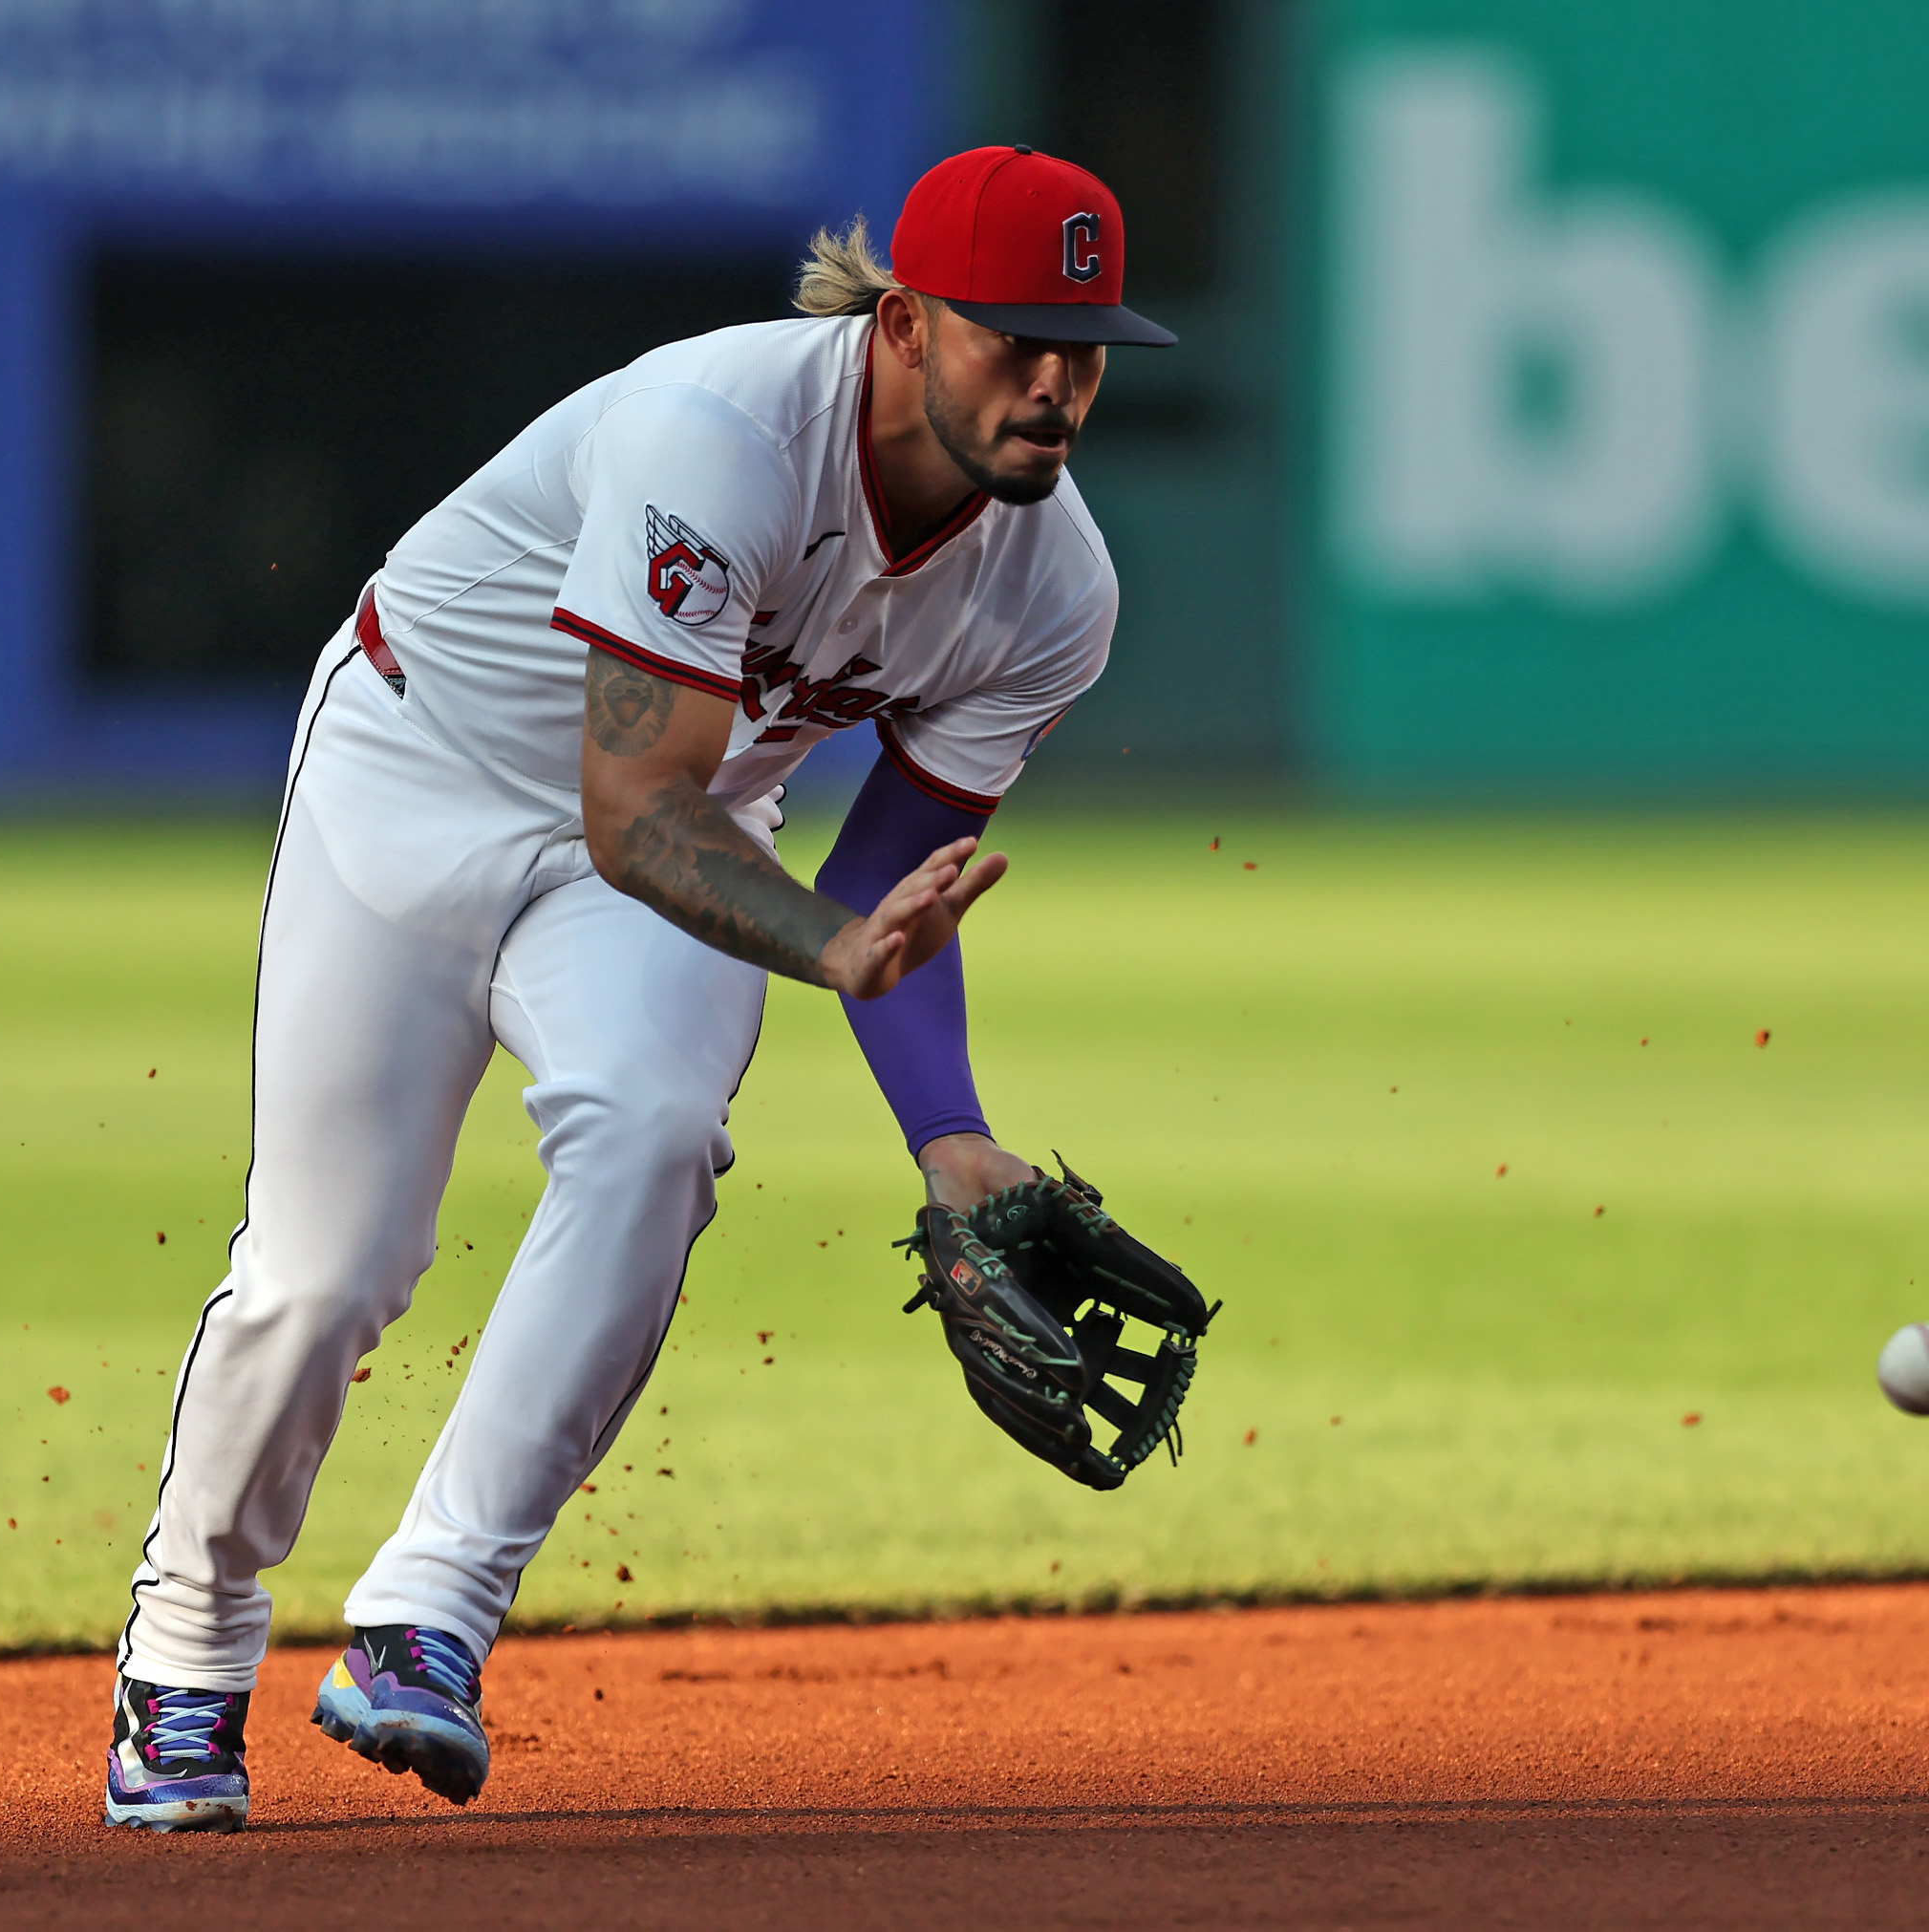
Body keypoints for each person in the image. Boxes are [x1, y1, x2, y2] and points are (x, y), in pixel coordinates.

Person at [101, 144, 1174, 1834]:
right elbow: (636, 813)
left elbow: (890, 900)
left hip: (688, 829)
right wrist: (824, 940)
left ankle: (427, 1616)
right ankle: (188, 1649)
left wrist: (951, 1137)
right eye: (1011, 337)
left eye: (1086, 347)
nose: (1054, 384)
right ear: (903, 321)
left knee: (659, 1131)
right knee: (328, 1272)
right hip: (419, 774)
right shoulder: (726, 438)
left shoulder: (1055, 589)